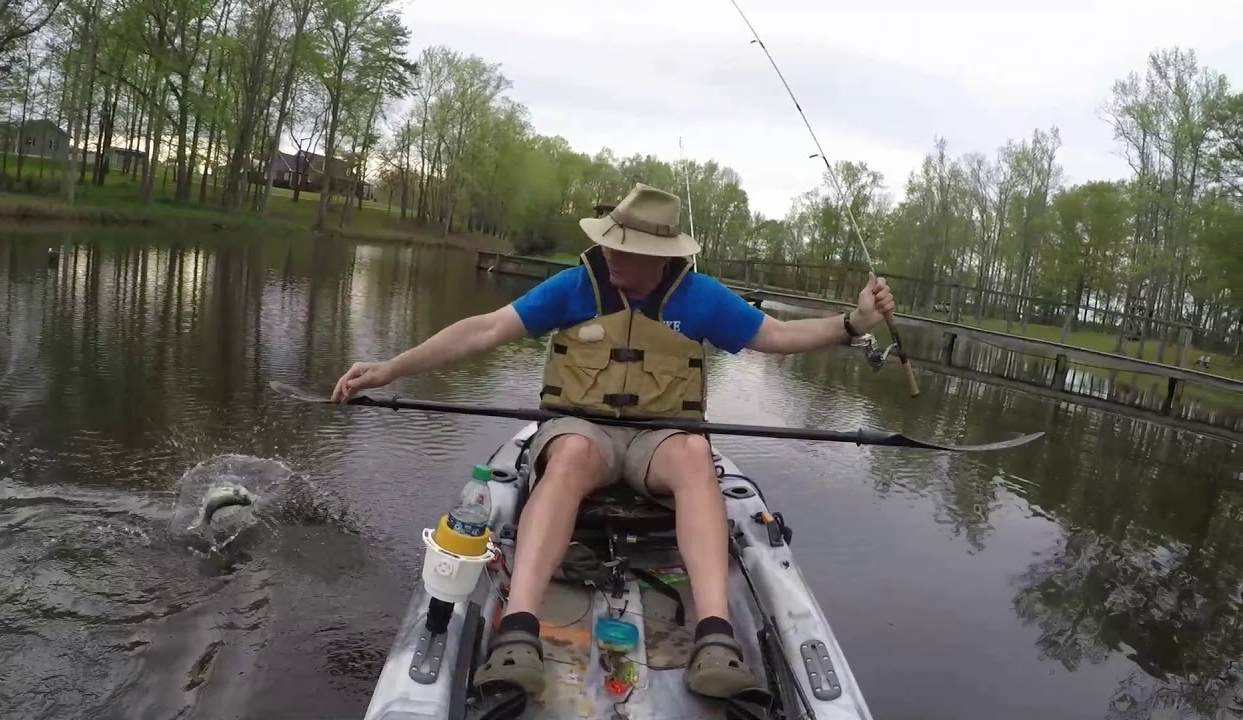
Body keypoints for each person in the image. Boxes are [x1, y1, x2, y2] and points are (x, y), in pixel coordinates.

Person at [331, 182, 895, 700]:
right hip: (582, 433)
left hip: (661, 440)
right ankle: (519, 627)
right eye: (609, 243)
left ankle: (715, 635)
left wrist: (853, 323)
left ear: (662, 257)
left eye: (624, 249)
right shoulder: (578, 285)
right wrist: (390, 368)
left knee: (697, 452)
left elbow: (776, 336)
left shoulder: (699, 296)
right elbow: (485, 329)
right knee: (571, 455)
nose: (609, 255)